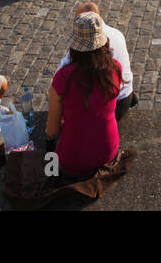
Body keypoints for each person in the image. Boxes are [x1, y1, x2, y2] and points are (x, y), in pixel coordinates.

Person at [46, 12, 123, 179]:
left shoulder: (63, 78)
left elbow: (51, 130)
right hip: (109, 152)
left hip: (73, 162)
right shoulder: (115, 69)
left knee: (48, 158)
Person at [57, 1, 137, 120]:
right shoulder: (118, 34)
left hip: (108, 107)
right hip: (126, 95)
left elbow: (59, 78)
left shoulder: (80, 49)